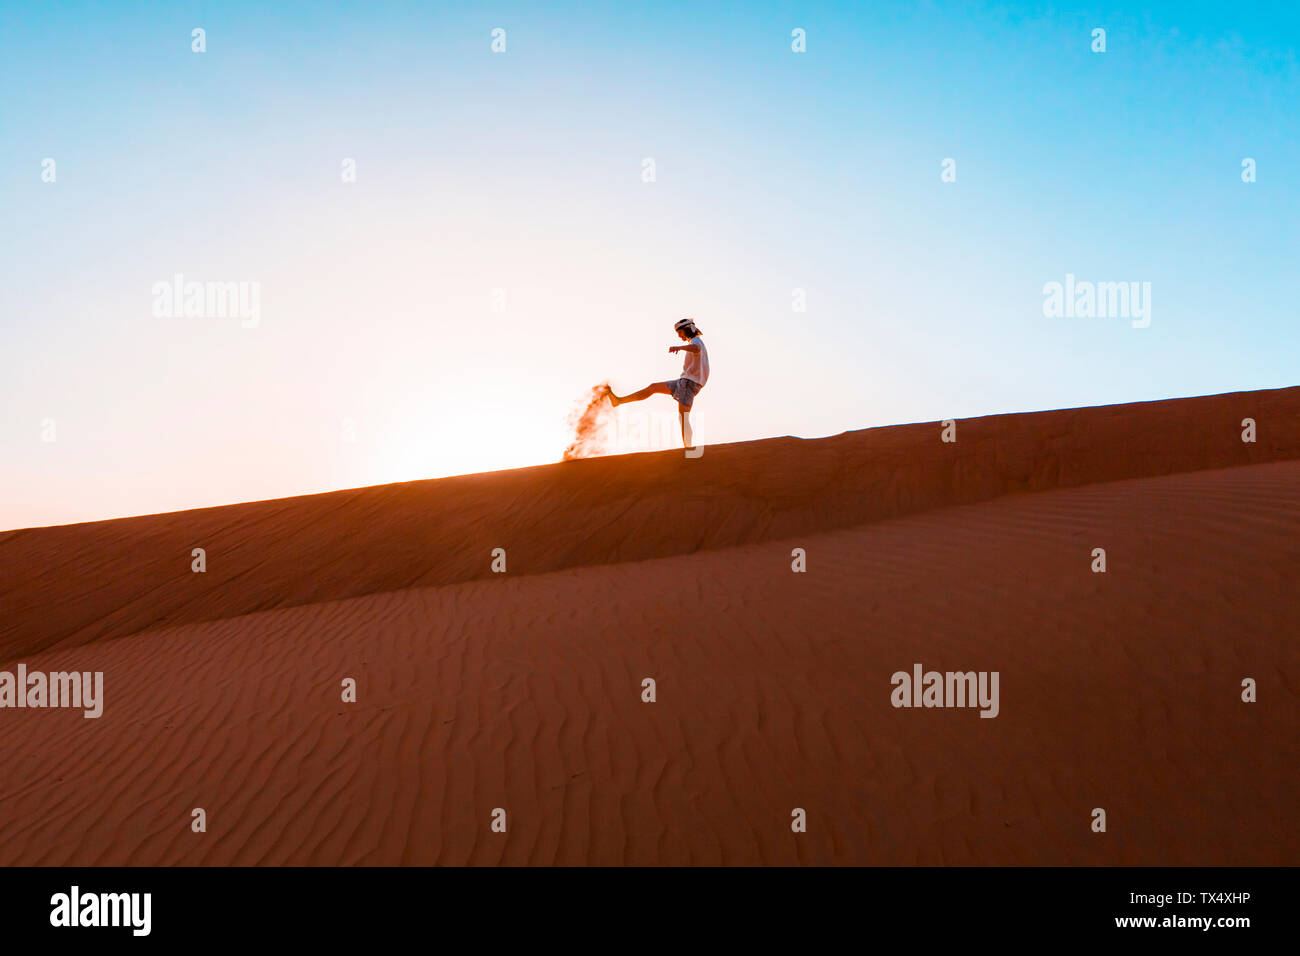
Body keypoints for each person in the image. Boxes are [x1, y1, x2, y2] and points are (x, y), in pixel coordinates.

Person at [606, 318, 710, 448]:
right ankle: (619, 401)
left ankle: (688, 448)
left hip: (688, 384)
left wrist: (679, 347)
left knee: (683, 418)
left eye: (680, 332)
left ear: (687, 330)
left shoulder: (696, 341)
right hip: (684, 382)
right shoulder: (694, 341)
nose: (679, 335)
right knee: (653, 387)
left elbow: (695, 348)